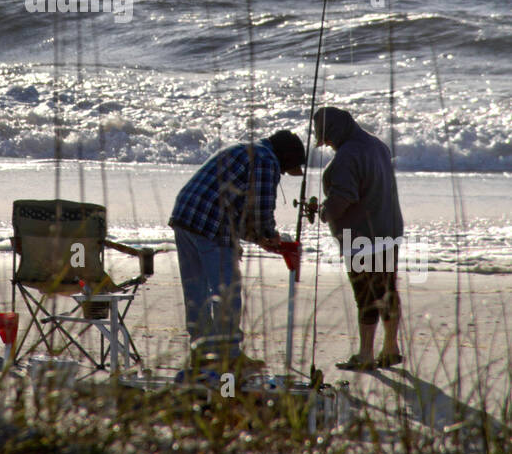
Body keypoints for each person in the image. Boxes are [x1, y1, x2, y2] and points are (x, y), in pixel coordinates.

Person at [169, 130, 306, 376]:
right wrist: (269, 235)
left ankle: (201, 351)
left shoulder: (245, 149)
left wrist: (254, 237)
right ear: (285, 158)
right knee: (227, 291)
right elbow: (260, 210)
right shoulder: (267, 160)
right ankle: (229, 356)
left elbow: (237, 208)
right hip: (209, 222)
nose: (283, 173)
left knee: (196, 291)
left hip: (184, 215)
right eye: (287, 169)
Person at [313, 105, 404, 371]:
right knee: (387, 290)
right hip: (389, 229)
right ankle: (391, 348)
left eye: (326, 138)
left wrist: (323, 211)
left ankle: (365, 354)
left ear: (333, 132)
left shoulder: (346, 156)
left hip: (362, 236)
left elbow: (343, 197)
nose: (327, 144)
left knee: (365, 296)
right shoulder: (377, 146)